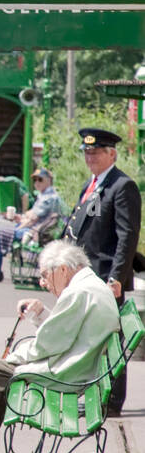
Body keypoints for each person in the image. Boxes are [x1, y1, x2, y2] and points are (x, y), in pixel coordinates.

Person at [0, 241, 120, 453]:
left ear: (63, 269)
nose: (43, 282)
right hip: (78, 370)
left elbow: (46, 345)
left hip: (64, 375)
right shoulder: (90, 286)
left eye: (46, 275)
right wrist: (39, 313)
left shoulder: (79, 292)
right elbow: (62, 335)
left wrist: (12, 358)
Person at [64, 127, 141, 416]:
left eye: (96, 152)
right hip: (86, 274)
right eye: (87, 152)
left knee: (110, 340)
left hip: (106, 277)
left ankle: (110, 402)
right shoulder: (93, 183)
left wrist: (116, 278)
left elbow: (127, 236)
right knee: (92, 338)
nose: (90, 157)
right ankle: (98, 395)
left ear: (112, 153)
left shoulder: (122, 186)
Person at [0, 168, 62, 282]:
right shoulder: (45, 195)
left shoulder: (48, 198)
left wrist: (18, 225)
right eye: (35, 180)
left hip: (34, 232)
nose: (37, 183)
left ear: (49, 181)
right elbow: (33, 217)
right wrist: (19, 218)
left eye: (40, 180)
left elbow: (32, 219)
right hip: (35, 229)